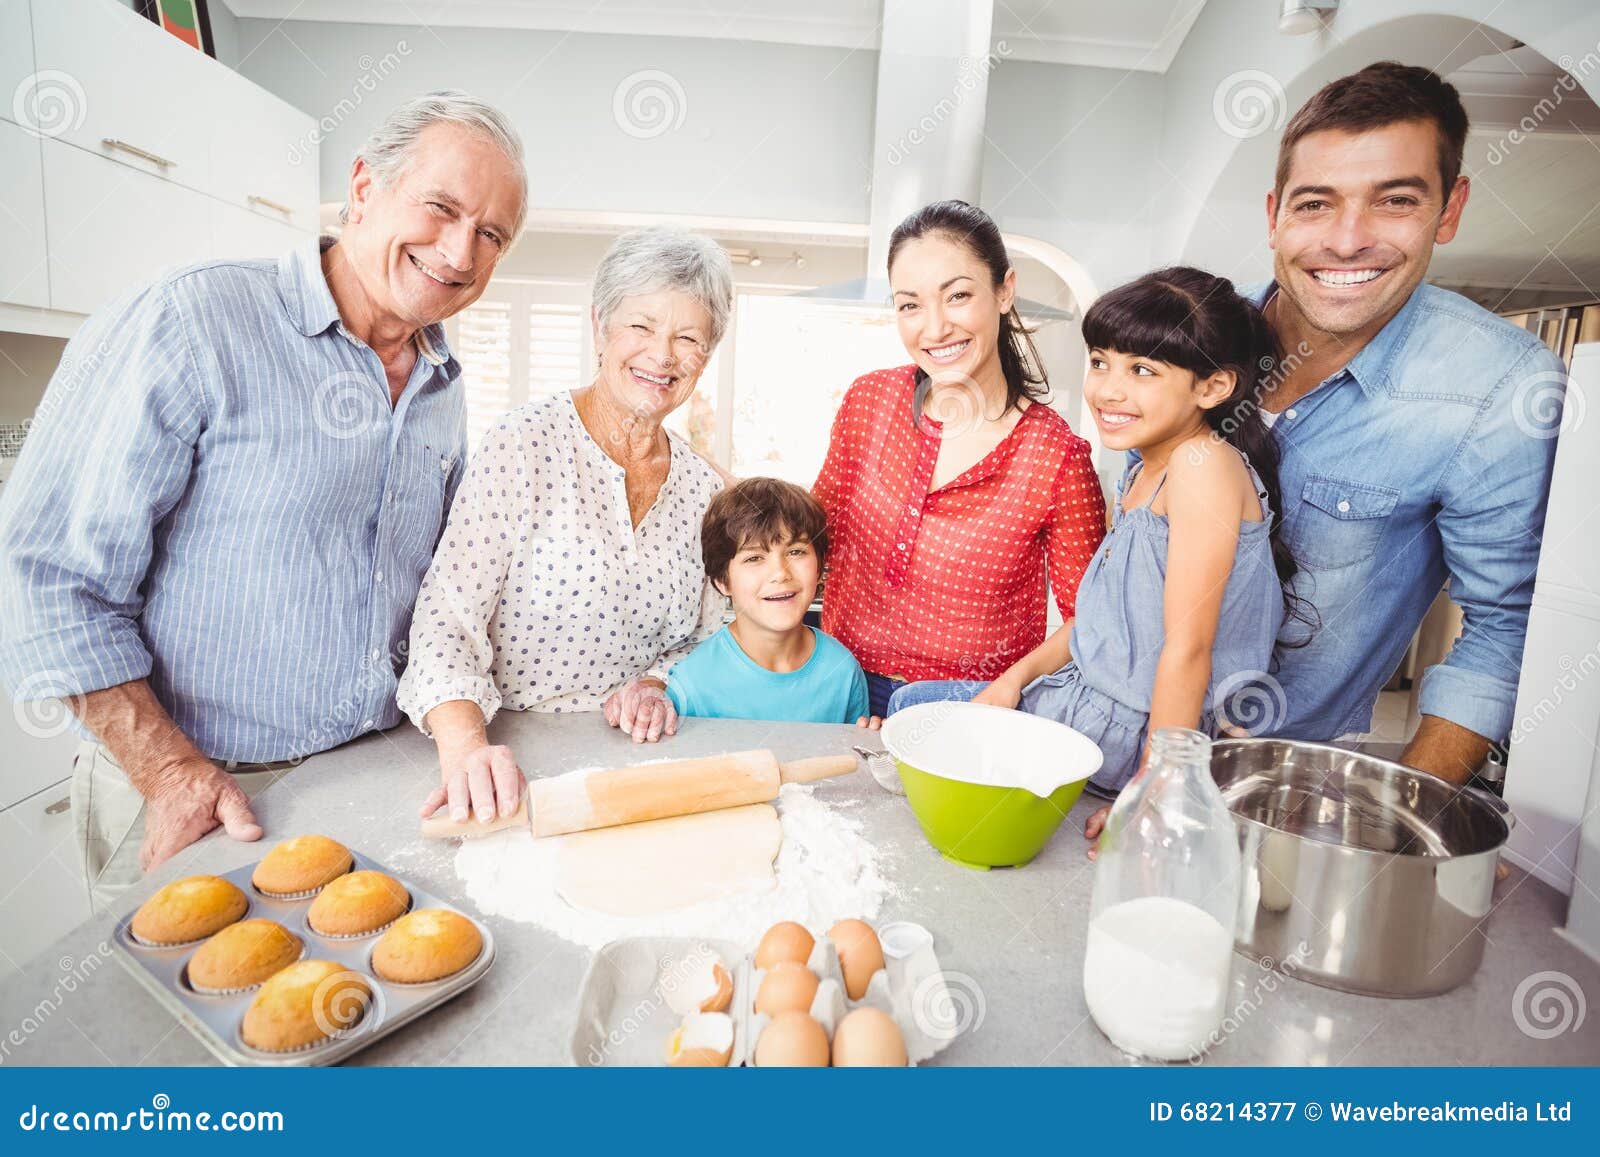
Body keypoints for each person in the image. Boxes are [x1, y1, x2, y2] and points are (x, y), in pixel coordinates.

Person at [0, 91, 527, 907]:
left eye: (491, 233)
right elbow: (46, 576)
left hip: (374, 776)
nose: (460, 250)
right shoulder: (192, 320)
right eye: (442, 207)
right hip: (201, 792)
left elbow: (440, 595)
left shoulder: (442, 386)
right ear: (362, 189)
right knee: (180, 1027)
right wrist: (172, 772)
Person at [1244, 62, 1566, 785]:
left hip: (1286, 786)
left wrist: (1401, 817)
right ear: (1275, 214)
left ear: (1449, 210)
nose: (1349, 239)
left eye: (1394, 200)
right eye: (1316, 203)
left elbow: (1504, 629)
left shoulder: (1502, 386)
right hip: (1108, 746)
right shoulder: (1193, 330)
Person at [890, 269, 1306, 809]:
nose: (1108, 389)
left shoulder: (1203, 466)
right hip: (1080, 704)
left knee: (923, 740)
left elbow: (1189, 648)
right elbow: (1099, 620)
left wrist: (1154, 794)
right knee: (912, 708)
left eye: (1142, 370)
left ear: (1213, 387)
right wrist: (1011, 681)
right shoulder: (1141, 473)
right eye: (1100, 362)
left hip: (1133, 736)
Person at [398, 227, 734, 828]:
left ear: (705, 357)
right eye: (641, 326)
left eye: (688, 338)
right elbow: (445, 623)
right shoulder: (521, 446)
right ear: (600, 327)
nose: (662, 355)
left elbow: (710, 637)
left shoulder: (704, 491)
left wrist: (655, 684)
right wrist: (466, 749)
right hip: (510, 763)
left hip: (643, 767)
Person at [812, 200, 1107, 717]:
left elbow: (1090, 618)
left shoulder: (1055, 455)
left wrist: (1012, 686)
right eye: (910, 305)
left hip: (967, 710)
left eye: (958, 296)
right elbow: (811, 535)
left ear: (1004, 290)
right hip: (840, 689)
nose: (935, 328)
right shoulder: (868, 401)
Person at [664, 477, 876, 726]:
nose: (780, 573)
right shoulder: (690, 685)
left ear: (819, 567)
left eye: (796, 552)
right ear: (722, 580)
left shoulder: (843, 670)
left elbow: (852, 759)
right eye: (754, 558)